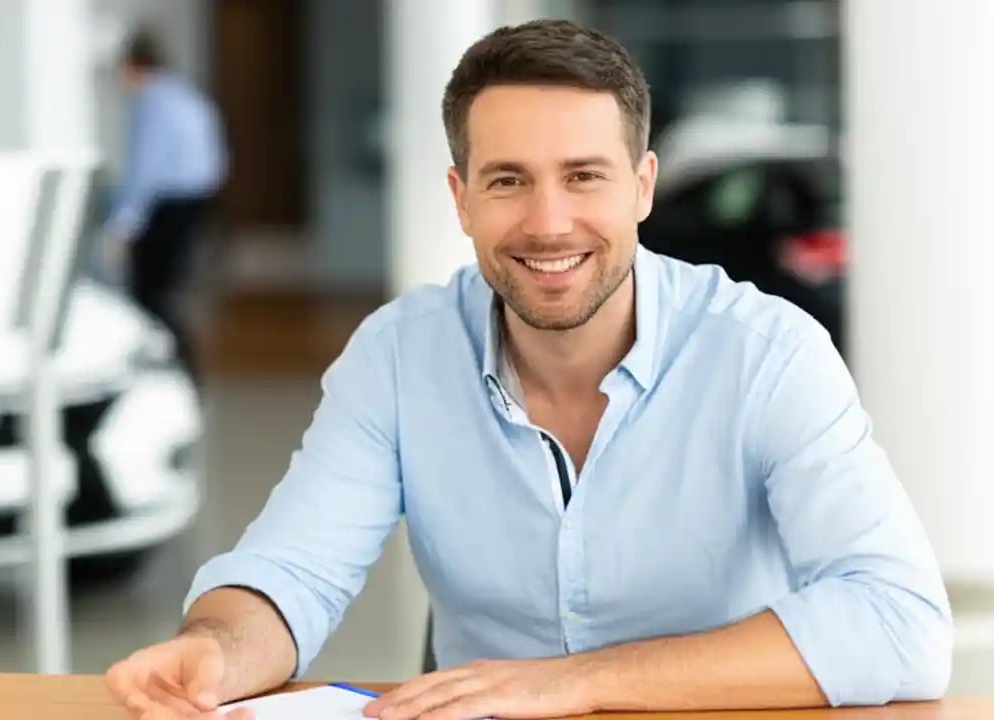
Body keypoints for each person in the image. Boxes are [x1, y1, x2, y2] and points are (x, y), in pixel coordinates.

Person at [106, 19, 952, 720]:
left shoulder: (768, 354)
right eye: (508, 180)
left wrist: (574, 682)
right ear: (461, 196)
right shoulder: (399, 356)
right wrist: (213, 649)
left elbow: (901, 623)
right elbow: (293, 573)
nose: (550, 224)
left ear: (642, 187)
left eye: (584, 177)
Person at [106, 30, 227, 380]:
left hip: (170, 206)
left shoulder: (153, 102)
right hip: (195, 202)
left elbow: (146, 167)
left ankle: (176, 371)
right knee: (165, 291)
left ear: (133, 66)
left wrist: (123, 223)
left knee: (150, 294)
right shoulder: (183, 96)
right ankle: (179, 369)